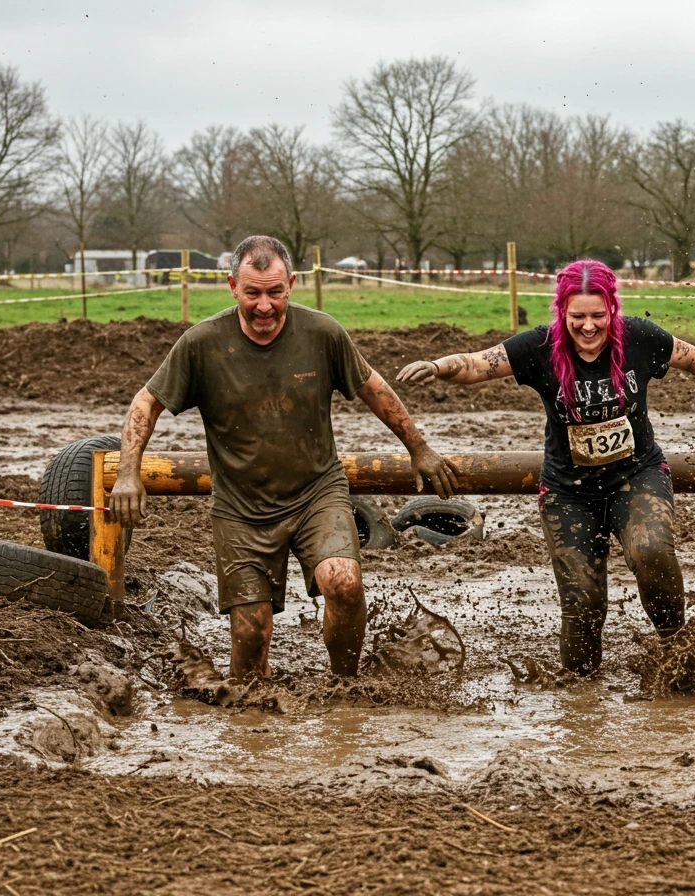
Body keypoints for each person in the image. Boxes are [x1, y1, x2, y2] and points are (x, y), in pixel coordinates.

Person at [397, 259, 695, 676]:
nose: (588, 327)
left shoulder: (638, 336)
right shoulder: (540, 346)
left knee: (652, 551)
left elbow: (690, 357)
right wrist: (439, 367)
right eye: (577, 317)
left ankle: (678, 651)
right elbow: (478, 363)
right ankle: (581, 696)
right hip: (568, 491)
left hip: (636, 476)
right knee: (582, 599)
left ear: (612, 311)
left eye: (598, 316)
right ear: (562, 312)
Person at [109, 235, 457, 681]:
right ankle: (252, 715)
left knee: (344, 582)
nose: (265, 306)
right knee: (252, 631)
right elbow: (145, 403)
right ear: (232, 285)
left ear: (291, 283)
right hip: (240, 508)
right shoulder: (202, 344)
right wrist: (127, 474)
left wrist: (420, 449)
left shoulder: (322, 333)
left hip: (316, 494)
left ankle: (344, 685)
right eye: (253, 293)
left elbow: (374, 388)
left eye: (276, 292)